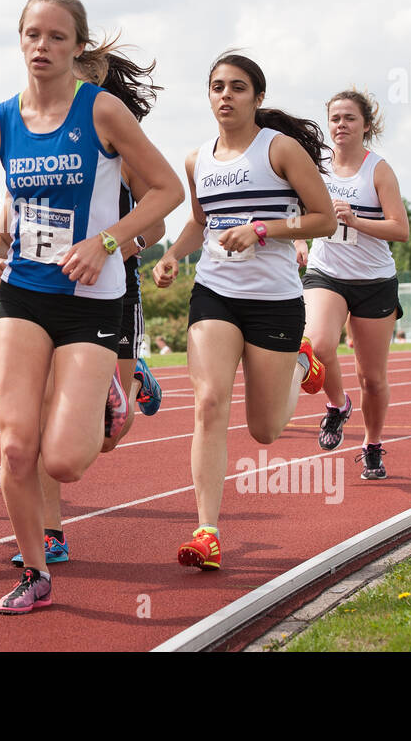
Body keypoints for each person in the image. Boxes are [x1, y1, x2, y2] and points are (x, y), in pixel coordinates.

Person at [0, 0, 182, 614]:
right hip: (25, 295)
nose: (42, 47)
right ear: (20, 42)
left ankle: (109, 391)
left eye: (57, 37)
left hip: (94, 299)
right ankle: (36, 571)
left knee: (67, 460)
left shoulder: (101, 113)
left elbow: (167, 191)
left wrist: (108, 242)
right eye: (33, 36)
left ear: (77, 47)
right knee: (18, 448)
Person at [0, 49, 167, 569]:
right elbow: (10, 212)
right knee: (33, 416)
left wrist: (106, 249)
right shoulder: (27, 140)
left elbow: (159, 224)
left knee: (104, 442)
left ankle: (128, 385)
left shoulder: (116, 145)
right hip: (37, 292)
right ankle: (51, 531)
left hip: (107, 292)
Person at [153, 52, 336, 571]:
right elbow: (198, 222)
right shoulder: (197, 161)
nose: (225, 96)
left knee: (265, 431)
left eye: (237, 87)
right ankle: (208, 530)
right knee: (209, 402)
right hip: (215, 293)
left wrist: (263, 229)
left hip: (275, 299)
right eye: (217, 87)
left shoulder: (280, 151)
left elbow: (322, 219)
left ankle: (302, 362)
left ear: (257, 97)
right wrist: (170, 255)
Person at [293, 90, 408, 479]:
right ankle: (338, 405)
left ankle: (373, 445)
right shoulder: (317, 166)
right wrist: (297, 240)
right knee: (319, 345)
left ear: (366, 125)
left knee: (372, 379)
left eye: (349, 119)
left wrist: (356, 219)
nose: (341, 125)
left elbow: (401, 229)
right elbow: (293, 209)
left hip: (374, 281)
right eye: (335, 118)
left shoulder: (377, 170)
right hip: (327, 274)